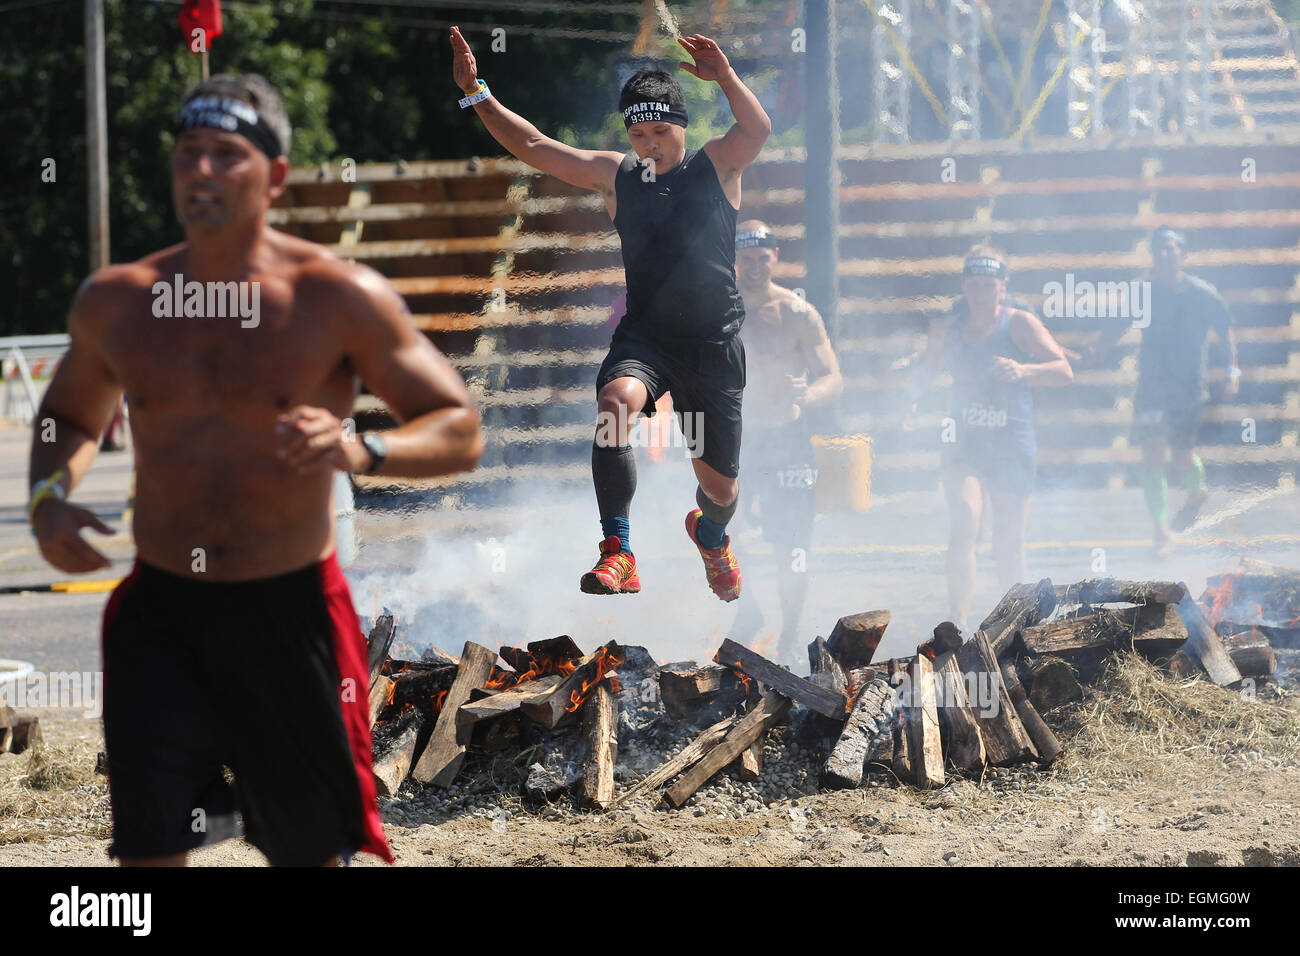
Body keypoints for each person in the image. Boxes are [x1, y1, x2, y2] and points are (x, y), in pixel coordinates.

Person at [27, 75, 483, 866]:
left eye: (226, 155)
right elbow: (66, 416)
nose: (200, 170)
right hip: (161, 616)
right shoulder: (121, 302)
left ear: (274, 176)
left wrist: (361, 450)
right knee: (147, 852)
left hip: (290, 615)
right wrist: (47, 498)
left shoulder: (335, 296)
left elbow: (459, 428)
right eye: (188, 153)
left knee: (311, 853)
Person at [450, 27, 771, 601]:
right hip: (645, 341)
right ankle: (618, 551)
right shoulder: (616, 174)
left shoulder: (717, 166)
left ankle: (713, 537)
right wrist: (478, 92)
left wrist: (724, 75)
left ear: (683, 127)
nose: (650, 146)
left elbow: (757, 129)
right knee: (613, 406)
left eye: (661, 133)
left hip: (712, 350)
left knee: (719, 489)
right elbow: (534, 146)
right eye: (639, 134)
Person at [906, 245, 1073, 628]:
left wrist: (1022, 369)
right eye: (974, 285)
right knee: (965, 519)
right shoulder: (946, 328)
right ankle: (957, 620)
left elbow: (1063, 370)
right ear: (965, 286)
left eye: (988, 285)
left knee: (1009, 540)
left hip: (1011, 444)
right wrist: (910, 403)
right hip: (964, 441)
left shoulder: (1018, 324)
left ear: (1003, 285)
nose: (981, 293)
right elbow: (926, 370)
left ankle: (1018, 620)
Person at [1081, 225, 1238, 554]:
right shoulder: (1143, 292)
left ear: (1183, 254)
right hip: (1152, 387)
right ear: (1153, 256)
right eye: (1159, 249)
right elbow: (1116, 325)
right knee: (1152, 453)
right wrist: (1099, 349)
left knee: (1182, 456)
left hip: (1189, 389)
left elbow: (1225, 332)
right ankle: (1161, 531)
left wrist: (1232, 372)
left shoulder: (1202, 293)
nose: (1165, 254)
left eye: (1171, 248)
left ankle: (1196, 492)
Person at [727, 221, 842, 662]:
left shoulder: (797, 312)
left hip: (787, 440)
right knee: (721, 531)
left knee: (791, 545)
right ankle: (750, 608)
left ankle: (791, 633)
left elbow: (833, 376)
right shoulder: (720, 309)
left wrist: (808, 393)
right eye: (747, 258)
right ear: (735, 260)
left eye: (763, 257)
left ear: (775, 257)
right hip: (736, 438)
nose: (755, 265)